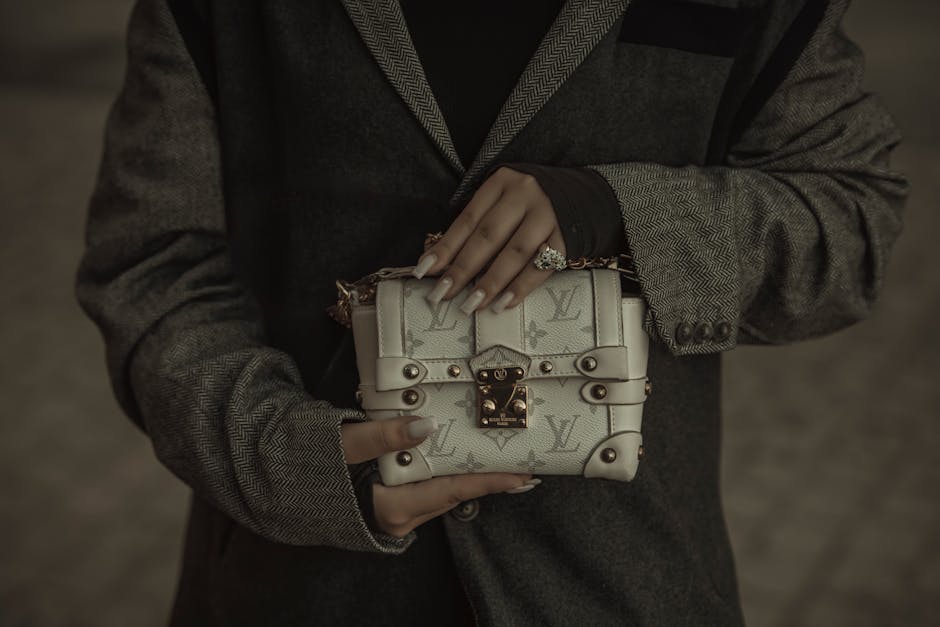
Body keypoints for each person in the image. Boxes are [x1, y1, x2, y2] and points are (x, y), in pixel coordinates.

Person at [74, 0, 908, 625]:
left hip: (626, 586)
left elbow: (852, 216)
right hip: (297, 588)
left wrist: (619, 210)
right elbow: (153, 260)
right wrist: (291, 459)